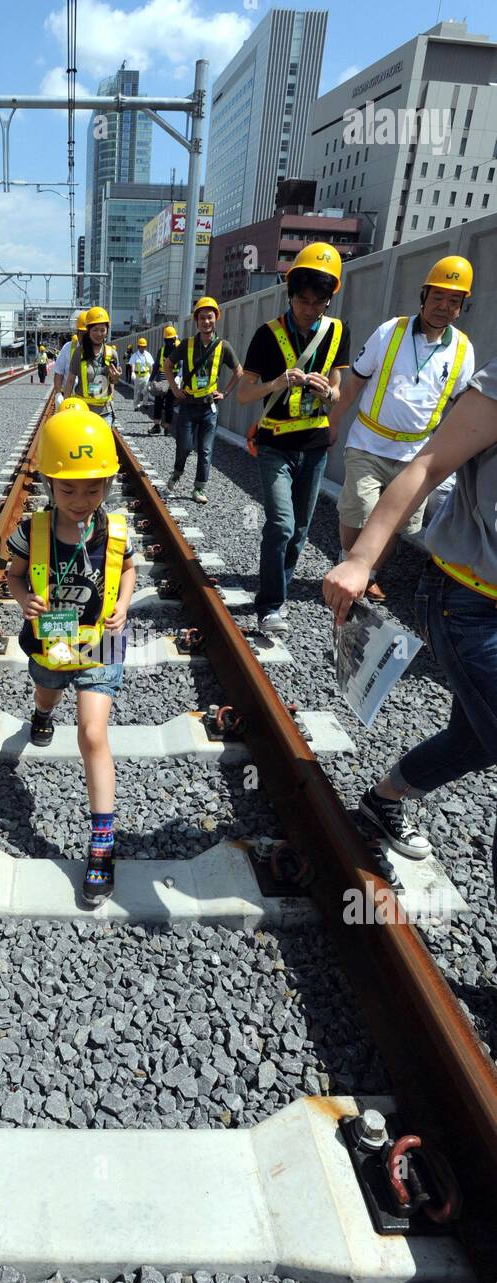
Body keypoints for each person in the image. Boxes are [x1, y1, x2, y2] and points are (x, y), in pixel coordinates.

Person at [322, 358, 497, 896]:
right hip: (474, 602)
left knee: (475, 740)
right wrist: (361, 558)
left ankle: (384, 800)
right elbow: (426, 466)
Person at [6, 401, 137, 907]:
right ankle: (40, 715)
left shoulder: (115, 531)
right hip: (53, 640)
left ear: (107, 483)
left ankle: (101, 845)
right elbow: (14, 574)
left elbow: (127, 570)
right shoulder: (34, 530)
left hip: (99, 642)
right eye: (68, 488)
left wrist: (123, 606)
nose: (81, 499)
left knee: (92, 732)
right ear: (48, 484)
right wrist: (24, 599)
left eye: (93, 487)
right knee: (47, 691)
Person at [329, 256, 475, 602]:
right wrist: (332, 424)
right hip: (368, 443)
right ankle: (348, 562)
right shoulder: (390, 331)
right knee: (360, 510)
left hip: (415, 454)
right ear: (423, 295)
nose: (444, 307)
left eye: (454, 301)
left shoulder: (462, 350)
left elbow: (460, 409)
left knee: (394, 521)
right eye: (437, 297)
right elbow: (354, 384)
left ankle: (370, 573)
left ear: (461, 308)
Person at [238, 243, 350, 633]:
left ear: (329, 300)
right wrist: (276, 383)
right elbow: (244, 393)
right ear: (291, 295)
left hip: (315, 446)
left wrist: (327, 393)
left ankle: (278, 591)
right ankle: (269, 606)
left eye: (319, 302)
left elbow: (338, 391)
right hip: (274, 445)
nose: (310, 309)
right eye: (303, 300)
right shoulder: (267, 335)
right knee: (281, 524)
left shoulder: (338, 333)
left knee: (300, 529)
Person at [163, 296, 243, 506]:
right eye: (202, 318)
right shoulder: (187, 345)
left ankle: (199, 487)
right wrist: (174, 388)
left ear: (215, 319)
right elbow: (167, 364)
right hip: (188, 405)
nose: (206, 322)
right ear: (196, 321)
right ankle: (177, 472)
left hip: (209, 407)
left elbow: (239, 371)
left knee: (205, 450)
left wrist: (224, 392)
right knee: (184, 445)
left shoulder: (223, 346)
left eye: (210, 317)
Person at [63, 305, 121, 426]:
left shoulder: (112, 353)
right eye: (95, 330)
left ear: (107, 331)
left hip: (105, 412)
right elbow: (70, 381)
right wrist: (65, 408)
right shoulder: (79, 352)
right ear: (88, 331)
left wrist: (115, 377)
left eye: (102, 330)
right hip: (82, 412)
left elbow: (113, 382)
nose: (99, 333)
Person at [148, 325, 179, 436]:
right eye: (167, 340)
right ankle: (162, 427)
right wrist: (150, 380)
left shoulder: (175, 350)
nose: (169, 342)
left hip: (170, 380)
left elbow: (182, 366)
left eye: (169, 340)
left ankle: (164, 427)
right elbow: (156, 366)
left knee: (165, 404)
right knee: (162, 404)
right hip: (165, 380)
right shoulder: (164, 351)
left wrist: (179, 378)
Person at [53, 311, 87, 402]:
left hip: (89, 401)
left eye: (87, 334)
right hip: (70, 399)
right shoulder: (68, 347)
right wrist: (58, 393)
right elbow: (58, 373)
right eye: (82, 333)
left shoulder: (99, 350)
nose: (84, 337)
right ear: (77, 332)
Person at [129, 336, 154, 411]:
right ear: (138, 346)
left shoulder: (148, 355)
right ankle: (136, 406)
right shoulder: (135, 355)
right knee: (137, 391)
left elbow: (151, 365)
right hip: (138, 376)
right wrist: (133, 372)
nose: (143, 348)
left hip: (146, 375)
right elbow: (133, 363)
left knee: (146, 390)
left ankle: (145, 403)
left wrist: (152, 376)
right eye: (141, 346)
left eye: (144, 346)